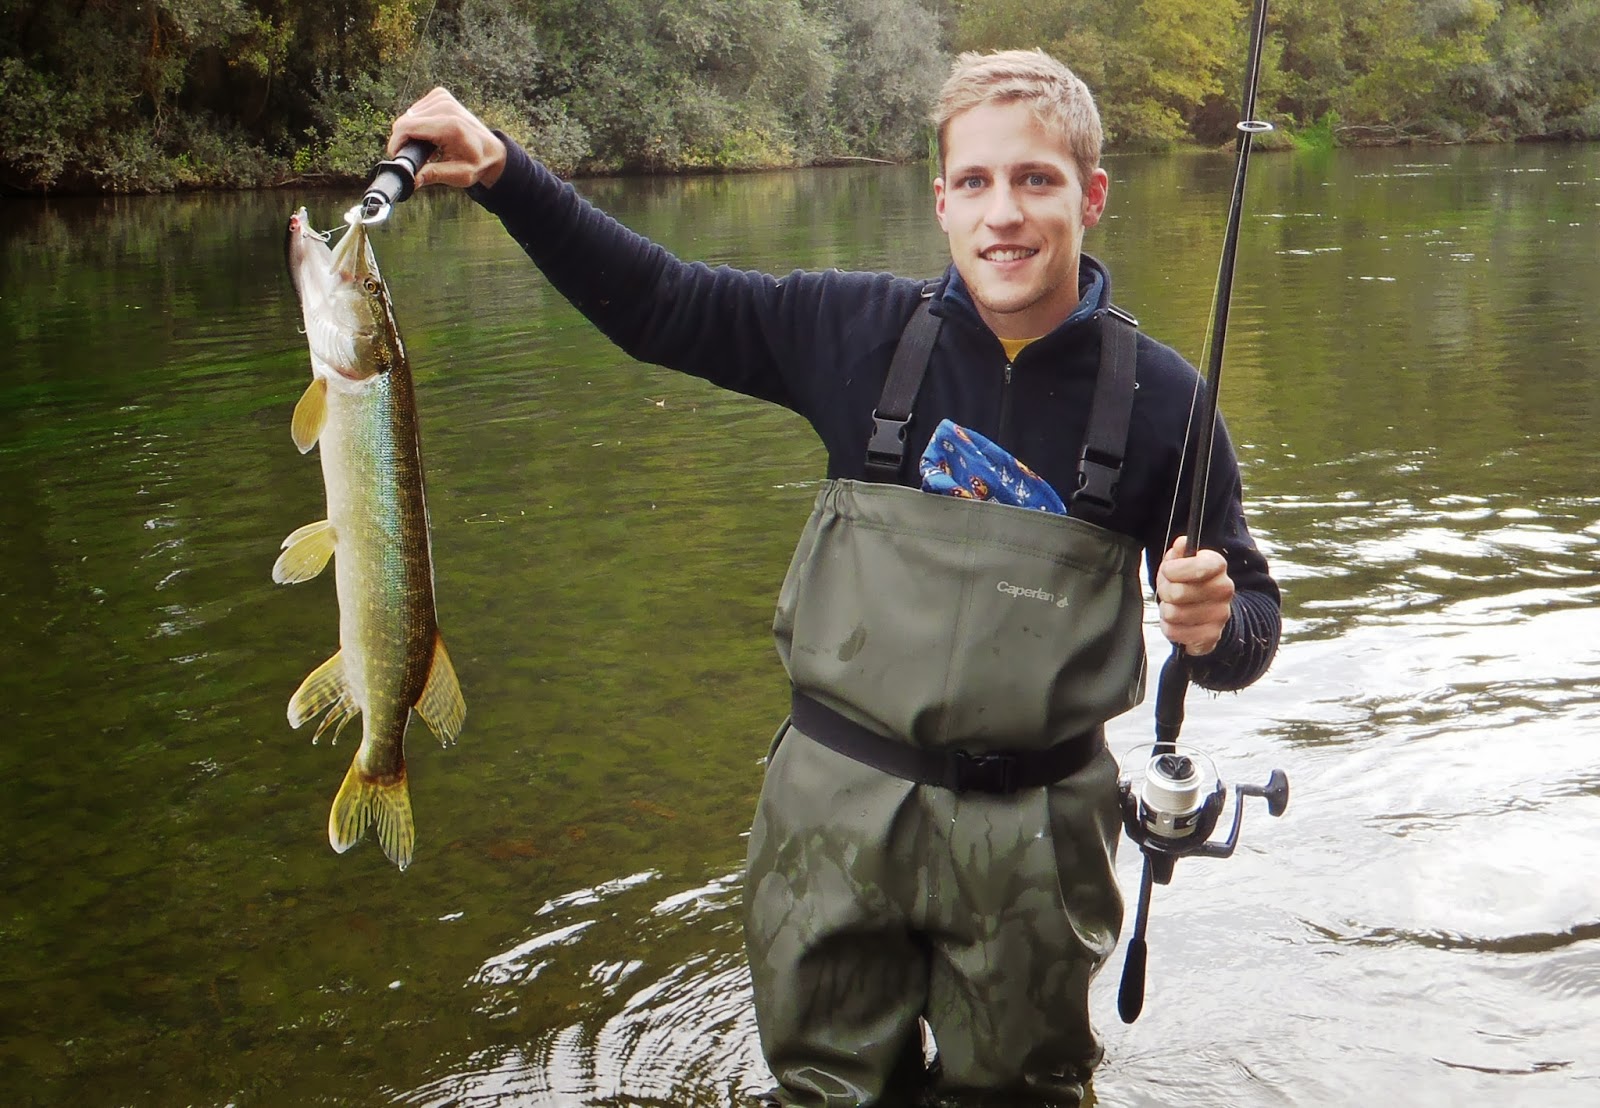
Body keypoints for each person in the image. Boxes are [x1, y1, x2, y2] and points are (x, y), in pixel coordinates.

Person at [389, 48, 1279, 1108]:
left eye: (1037, 180)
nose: (1006, 213)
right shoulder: (852, 330)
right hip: (831, 816)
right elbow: (659, 305)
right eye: (978, 183)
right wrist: (504, 174)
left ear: (1090, 195)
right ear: (939, 201)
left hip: (1038, 838)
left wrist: (1210, 622)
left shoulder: (1167, 402)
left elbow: (1247, 627)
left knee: (1026, 1095)